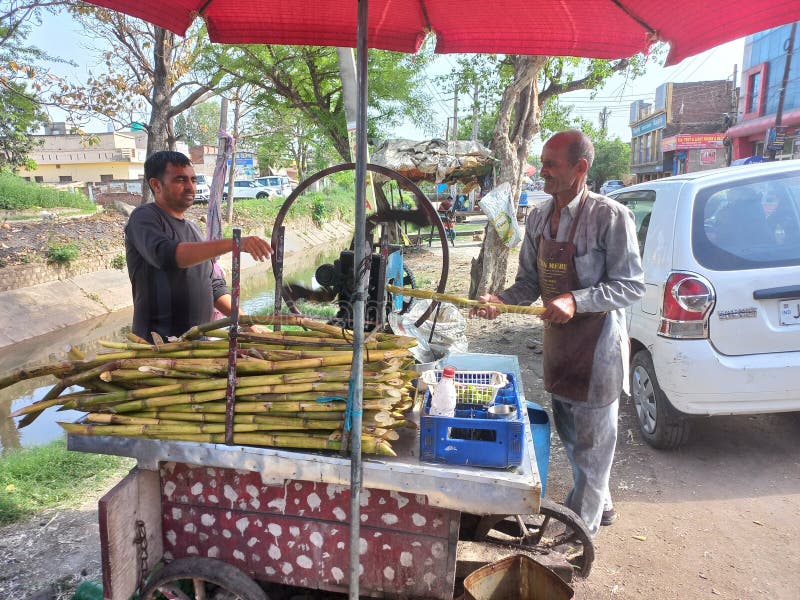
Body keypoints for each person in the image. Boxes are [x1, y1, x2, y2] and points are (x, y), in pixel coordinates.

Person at [471, 130, 645, 537]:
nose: (542, 171)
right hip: (560, 346)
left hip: (598, 348)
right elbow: (528, 283)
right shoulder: (537, 216)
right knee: (572, 435)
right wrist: (499, 298)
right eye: (543, 163)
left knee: (594, 447)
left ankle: (580, 535)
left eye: (551, 164)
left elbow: (631, 285)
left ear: (580, 168)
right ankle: (601, 502)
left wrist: (576, 300)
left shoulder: (611, 216)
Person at [125, 151, 273, 342]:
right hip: (159, 345)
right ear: (156, 185)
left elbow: (215, 286)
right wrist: (235, 243)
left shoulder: (193, 229)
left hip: (197, 344)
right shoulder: (144, 218)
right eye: (180, 180)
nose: (190, 187)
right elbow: (166, 256)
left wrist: (248, 323)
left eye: (193, 180)